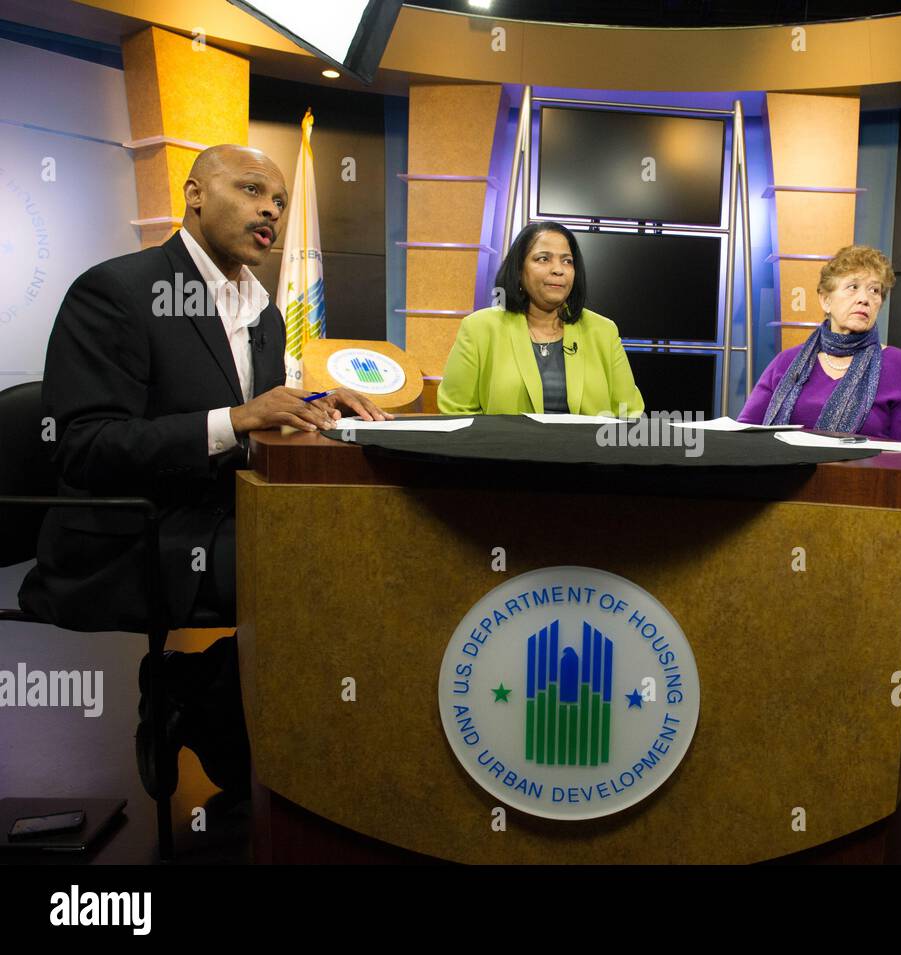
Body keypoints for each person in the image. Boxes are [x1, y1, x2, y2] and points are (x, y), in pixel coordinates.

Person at [19, 144, 391, 800]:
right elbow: (84, 446)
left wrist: (309, 406)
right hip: (130, 535)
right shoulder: (118, 292)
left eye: (278, 200)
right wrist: (236, 419)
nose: (270, 210)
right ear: (194, 194)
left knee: (352, 557)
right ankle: (239, 745)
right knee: (317, 576)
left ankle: (193, 695)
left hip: (223, 515)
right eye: (251, 190)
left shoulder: (267, 314)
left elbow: (252, 415)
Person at [736, 245, 901, 452]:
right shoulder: (786, 362)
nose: (864, 299)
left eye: (875, 291)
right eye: (853, 287)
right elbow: (745, 436)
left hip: (868, 483)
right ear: (826, 300)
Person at [437, 221, 645, 417]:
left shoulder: (603, 330)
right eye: (543, 259)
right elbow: (455, 412)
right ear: (519, 270)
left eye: (567, 261)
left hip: (586, 454)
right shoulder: (479, 328)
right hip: (505, 453)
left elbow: (629, 413)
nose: (558, 269)